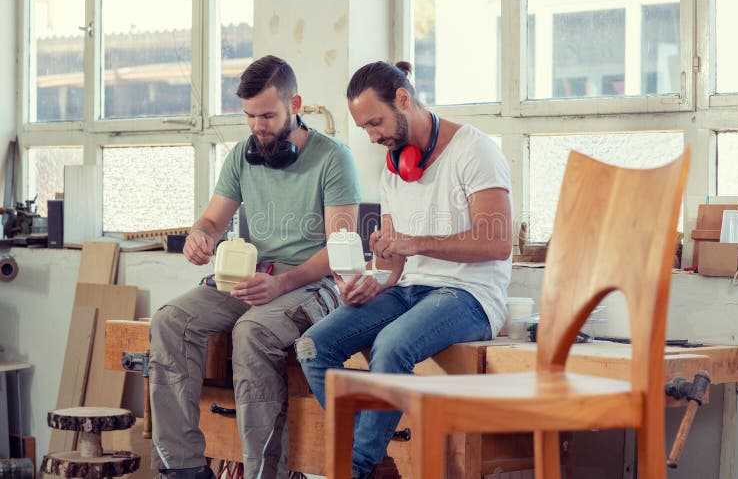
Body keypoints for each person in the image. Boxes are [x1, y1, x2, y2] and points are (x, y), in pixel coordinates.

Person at [296, 61, 513, 479]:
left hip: (468, 296)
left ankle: (355, 469)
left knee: (391, 346)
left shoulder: (475, 150)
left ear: (403, 99)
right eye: (365, 129)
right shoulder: (394, 168)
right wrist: (374, 279)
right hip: (410, 289)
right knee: (312, 346)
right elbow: (394, 265)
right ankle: (375, 463)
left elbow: (497, 241)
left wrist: (415, 243)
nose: (374, 136)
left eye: (376, 122)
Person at [148, 55, 362, 479]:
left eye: (268, 115)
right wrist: (201, 236)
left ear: (294, 103)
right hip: (253, 279)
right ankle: (183, 469)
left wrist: (281, 284)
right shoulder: (242, 156)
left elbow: (341, 250)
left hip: (313, 283)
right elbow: (212, 219)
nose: (258, 126)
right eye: (249, 116)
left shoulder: (334, 158)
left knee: (253, 332)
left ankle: (264, 474)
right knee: (170, 321)